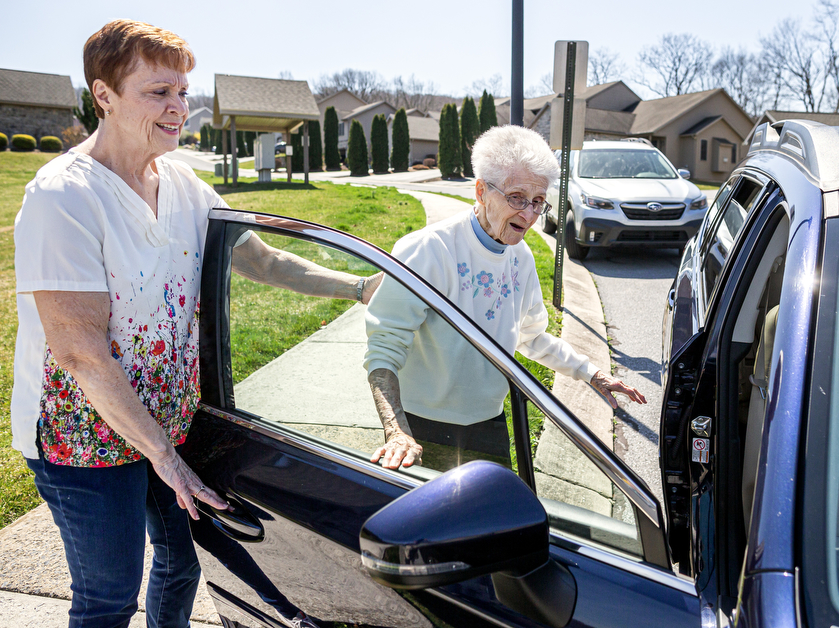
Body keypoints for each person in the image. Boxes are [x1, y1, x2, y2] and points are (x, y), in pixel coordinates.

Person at [11, 20, 375, 628]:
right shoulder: (64, 197)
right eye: (158, 92)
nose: (179, 106)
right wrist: (166, 459)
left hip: (164, 423)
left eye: (183, 91)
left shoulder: (185, 185)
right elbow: (79, 352)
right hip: (84, 437)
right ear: (104, 95)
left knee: (181, 566)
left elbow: (261, 258)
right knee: (108, 596)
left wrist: (358, 287)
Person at [365, 125, 646, 471]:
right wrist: (397, 433)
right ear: (482, 191)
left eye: (538, 202)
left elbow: (531, 337)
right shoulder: (427, 250)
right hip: (422, 429)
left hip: (489, 423)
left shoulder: (521, 257)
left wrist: (590, 373)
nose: (528, 215)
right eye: (516, 198)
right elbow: (382, 354)